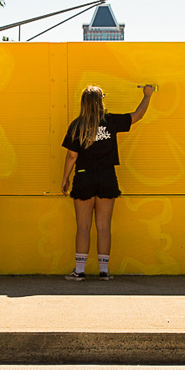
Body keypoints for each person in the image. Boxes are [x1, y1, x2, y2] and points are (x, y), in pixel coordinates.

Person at [60, 83, 155, 280]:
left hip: (84, 176)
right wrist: (147, 95)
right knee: (104, 226)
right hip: (107, 176)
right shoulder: (111, 121)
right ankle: (104, 271)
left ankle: (79, 271)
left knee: (83, 227)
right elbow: (137, 115)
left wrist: (65, 178)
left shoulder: (77, 125)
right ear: (101, 101)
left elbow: (71, 156)